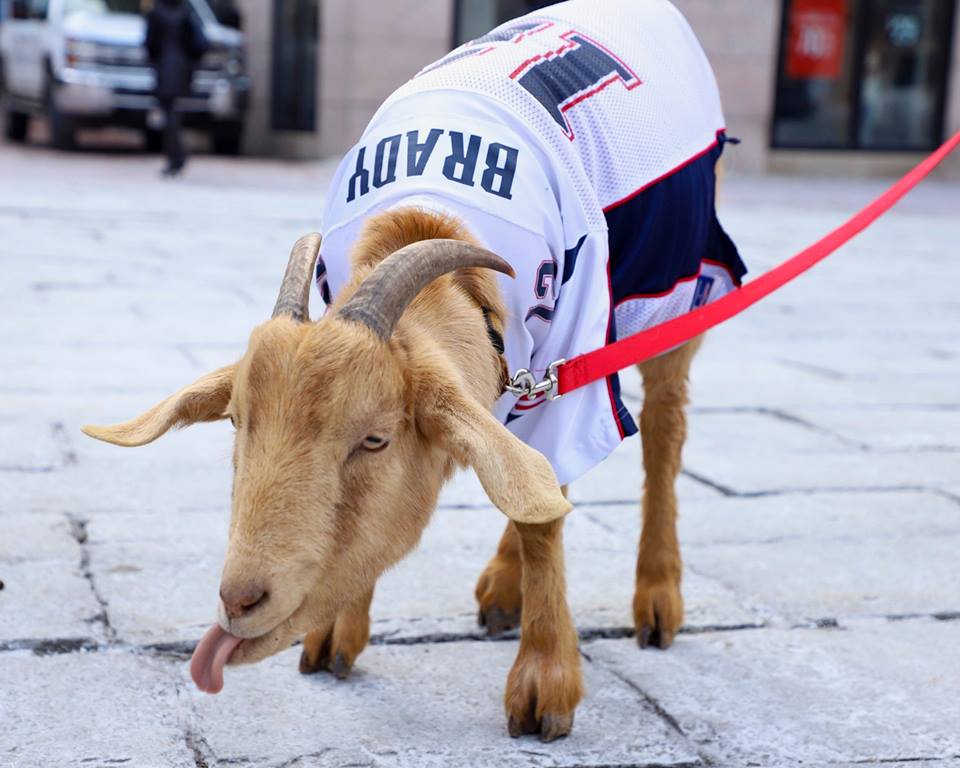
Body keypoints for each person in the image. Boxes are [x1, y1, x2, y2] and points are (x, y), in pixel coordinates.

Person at [145, 0, 208, 176]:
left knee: (169, 115)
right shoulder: (185, 11)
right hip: (181, 68)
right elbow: (199, 44)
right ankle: (176, 156)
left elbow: (150, 44)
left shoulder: (156, 12)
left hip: (165, 67)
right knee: (172, 113)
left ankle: (176, 157)